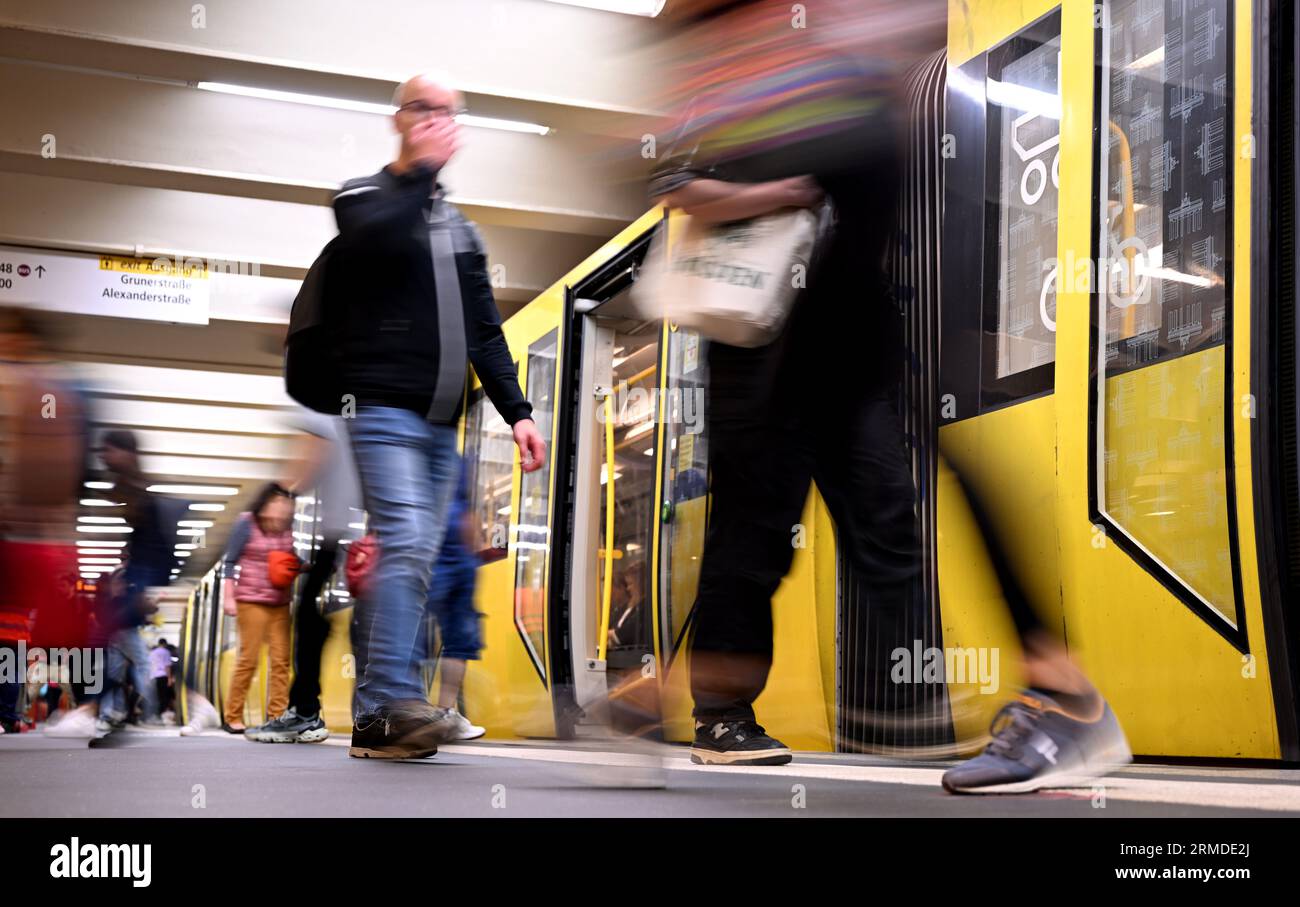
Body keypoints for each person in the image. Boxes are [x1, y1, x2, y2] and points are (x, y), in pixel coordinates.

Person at [650, 0, 929, 766]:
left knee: (885, 505)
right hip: (757, 345)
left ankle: (912, 697)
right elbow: (676, 186)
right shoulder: (733, 87)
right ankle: (721, 714)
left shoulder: (838, 75)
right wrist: (781, 193)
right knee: (755, 526)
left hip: (839, 339)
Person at [328, 72, 545, 759]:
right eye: (425, 110)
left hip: (438, 424)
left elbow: (485, 330)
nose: (436, 122)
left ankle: (377, 714)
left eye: (448, 114)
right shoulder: (363, 198)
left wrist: (518, 411)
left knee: (416, 557)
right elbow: (373, 247)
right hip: (381, 409)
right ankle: (392, 702)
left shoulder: (461, 230)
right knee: (411, 542)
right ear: (398, 118)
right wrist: (421, 173)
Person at [246, 411, 362, 744]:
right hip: (347, 529)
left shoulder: (318, 397)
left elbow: (314, 446)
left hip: (344, 531)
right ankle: (309, 709)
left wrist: (281, 493)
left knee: (310, 621)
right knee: (314, 619)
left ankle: (307, 712)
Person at [220, 483, 297, 734]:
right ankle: (232, 716)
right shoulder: (247, 523)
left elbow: (292, 557)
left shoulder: (287, 528)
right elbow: (230, 562)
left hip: (280, 601)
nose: (282, 507)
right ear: (264, 503)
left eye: (285, 503)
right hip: (251, 600)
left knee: (281, 661)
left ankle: (277, 716)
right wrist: (228, 597)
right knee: (249, 659)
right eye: (277, 502)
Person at [149, 639, 173, 720]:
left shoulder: (152, 652)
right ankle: (161, 713)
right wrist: (169, 678)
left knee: (156, 695)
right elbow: (167, 666)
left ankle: (154, 714)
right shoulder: (166, 652)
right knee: (164, 696)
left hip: (153, 676)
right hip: (163, 675)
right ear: (165, 644)